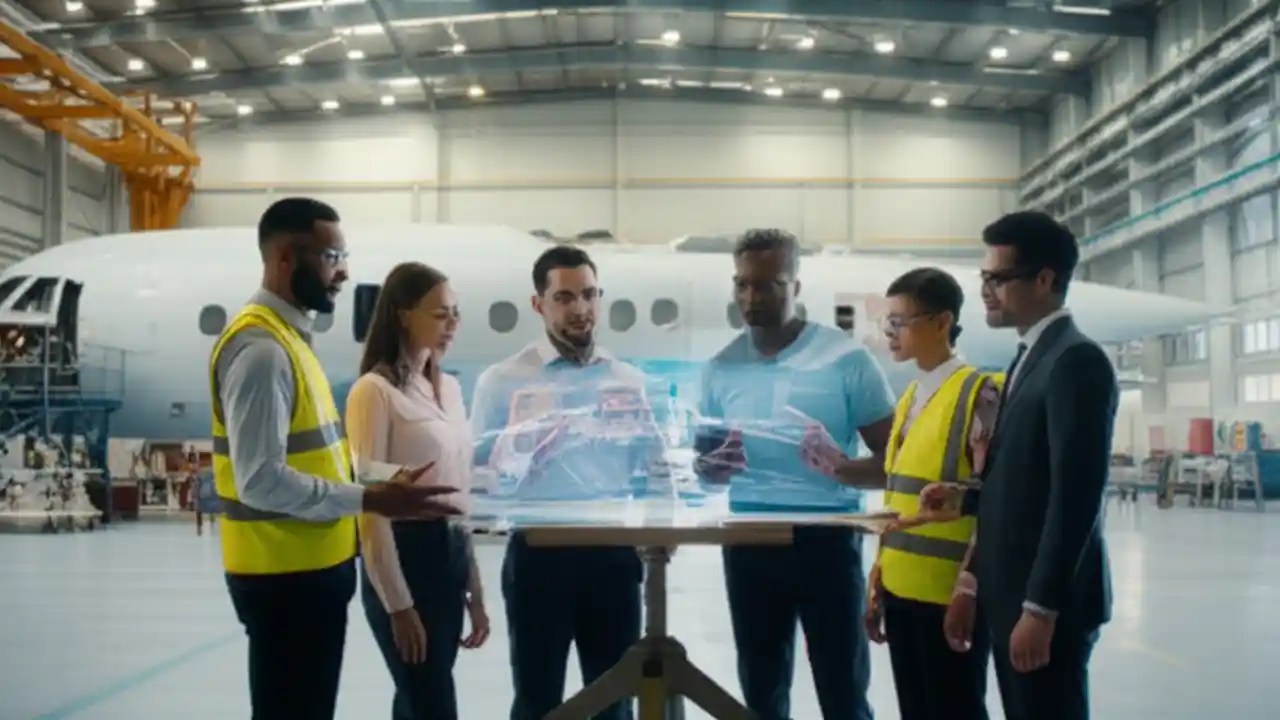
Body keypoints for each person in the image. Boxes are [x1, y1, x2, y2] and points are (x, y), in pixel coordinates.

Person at [209, 198, 461, 720]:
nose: (343, 272)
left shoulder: (292, 341)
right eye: (331, 256)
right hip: (282, 576)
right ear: (284, 258)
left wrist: (384, 479)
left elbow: (319, 455)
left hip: (309, 570)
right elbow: (259, 480)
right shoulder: (262, 350)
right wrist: (370, 498)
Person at [694, 228, 896, 720]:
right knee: (761, 691)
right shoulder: (720, 368)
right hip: (749, 538)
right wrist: (715, 467)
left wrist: (843, 468)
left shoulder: (845, 360)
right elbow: (704, 473)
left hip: (826, 539)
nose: (751, 297)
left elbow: (895, 465)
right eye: (742, 284)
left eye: (768, 285)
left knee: (842, 689)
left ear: (796, 287)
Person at [922, 211, 1116, 720]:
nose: (984, 290)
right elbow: (1027, 482)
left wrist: (1040, 609)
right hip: (1011, 597)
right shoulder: (1031, 356)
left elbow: (1075, 499)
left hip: (1045, 606)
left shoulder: (1076, 361)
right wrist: (965, 498)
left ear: (1045, 279)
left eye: (997, 278)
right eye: (983, 278)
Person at [470, 244, 658, 720]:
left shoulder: (628, 380)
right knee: (538, 700)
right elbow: (475, 476)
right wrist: (517, 457)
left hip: (613, 559)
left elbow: (653, 467)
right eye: (565, 297)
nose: (580, 308)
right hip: (539, 559)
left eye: (589, 295)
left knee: (616, 701)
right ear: (539, 304)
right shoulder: (504, 381)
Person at [345, 262, 491, 720]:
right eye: (439, 314)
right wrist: (399, 605)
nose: (451, 325)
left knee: (418, 699)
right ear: (403, 315)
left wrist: (475, 588)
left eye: (455, 314)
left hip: (447, 557)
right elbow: (372, 511)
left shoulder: (448, 390)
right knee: (431, 701)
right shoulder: (374, 392)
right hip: (404, 559)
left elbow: (459, 494)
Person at [864, 268, 997, 720]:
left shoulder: (979, 393)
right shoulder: (909, 401)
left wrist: (970, 586)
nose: (890, 333)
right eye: (889, 322)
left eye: (901, 321)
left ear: (942, 323)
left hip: (948, 597)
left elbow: (993, 503)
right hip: (902, 590)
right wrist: (879, 573)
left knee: (955, 710)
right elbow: (898, 501)